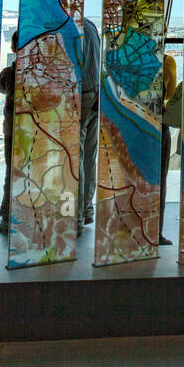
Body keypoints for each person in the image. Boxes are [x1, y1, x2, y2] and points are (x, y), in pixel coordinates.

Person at [76, 17, 102, 227]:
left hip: (81, 93)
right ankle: (87, 208)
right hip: (96, 94)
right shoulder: (91, 26)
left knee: (76, 155)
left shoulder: (71, 28)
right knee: (89, 154)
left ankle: (76, 214)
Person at [0, 31, 18, 236]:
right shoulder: (39, 71)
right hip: (37, 131)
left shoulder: (9, 73)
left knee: (11, 174)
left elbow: (1, 88)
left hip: (12, 129)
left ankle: (7, 216)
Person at [159, 50, 181, 246]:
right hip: (157, 123)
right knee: (159, 180)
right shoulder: (167, 61)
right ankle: (155, 231)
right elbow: (172, 92)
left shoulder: (123, 57)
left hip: (131, 119)